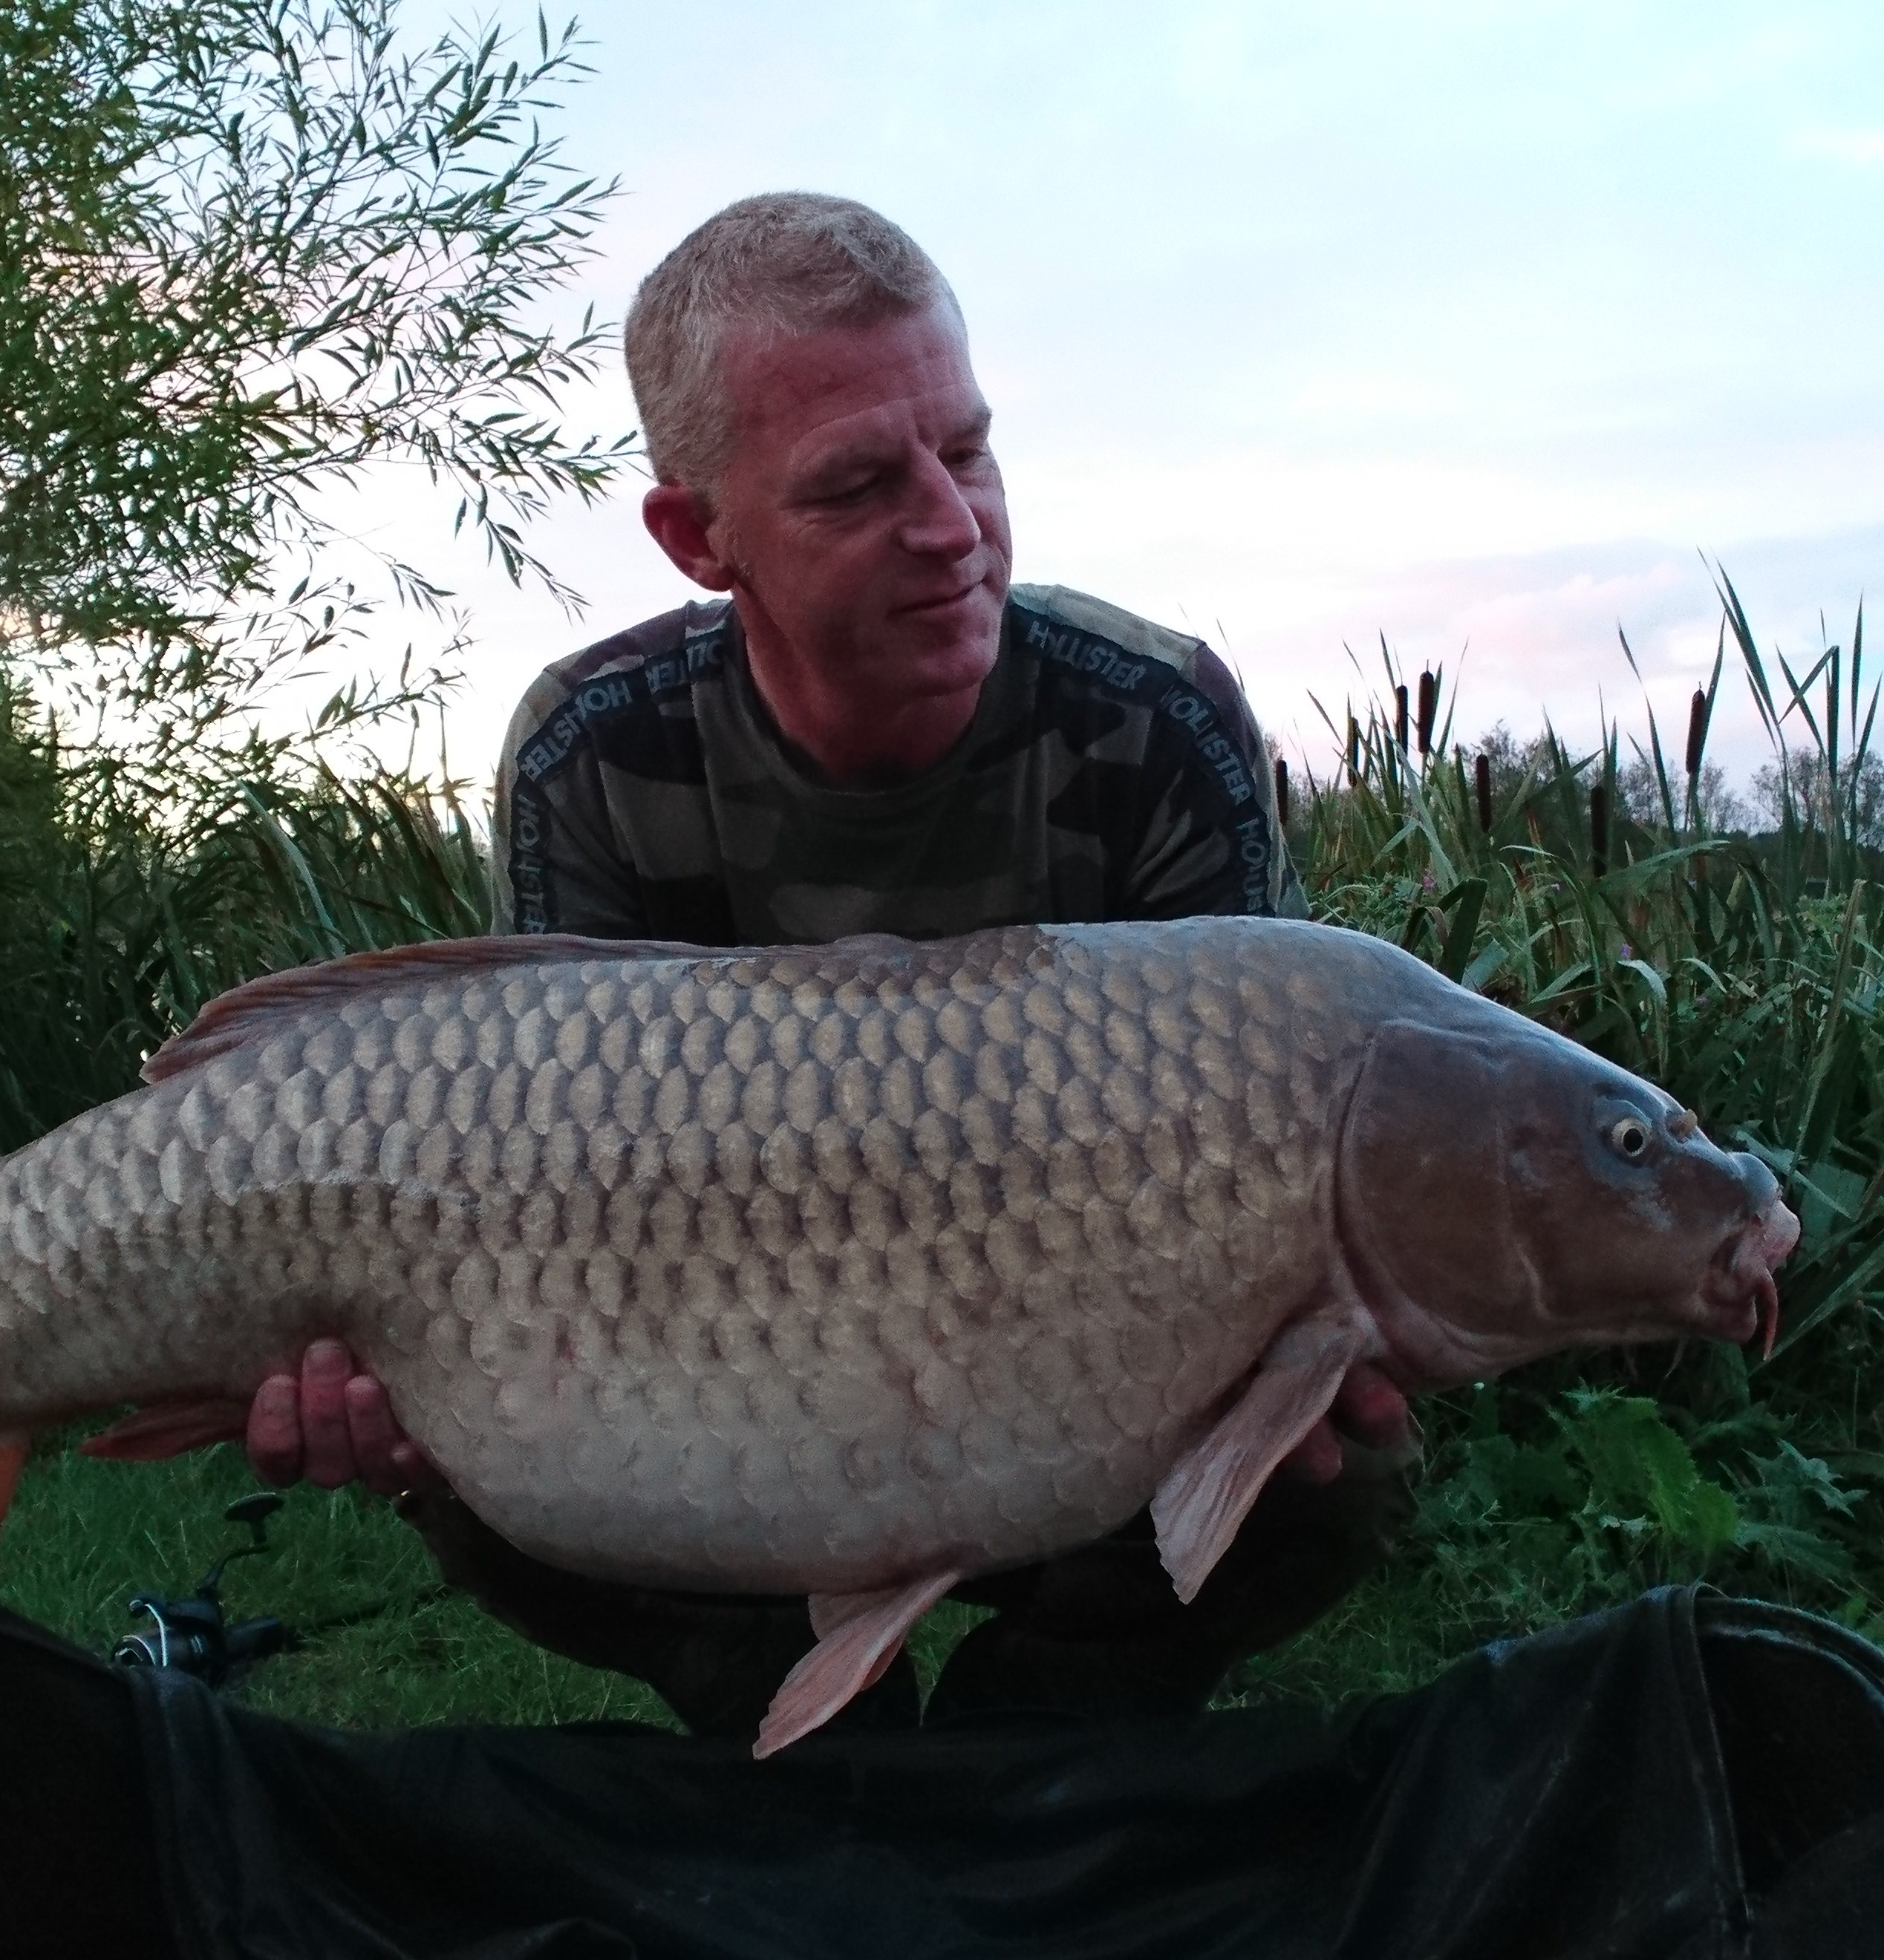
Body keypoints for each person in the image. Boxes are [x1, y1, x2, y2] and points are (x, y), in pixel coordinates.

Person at [235, 192, 1412, 1739]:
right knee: (470, 1450)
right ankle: (795, 1738)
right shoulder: (598, 755)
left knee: (1349, 1458)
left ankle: (1048, 1732)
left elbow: (1265, 1138)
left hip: (1105, 1362)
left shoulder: (1160, 720)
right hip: (723, 1370)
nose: (950, 526)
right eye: (857, 485)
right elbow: (535, 1199)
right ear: (696, 536)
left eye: (969, 451)